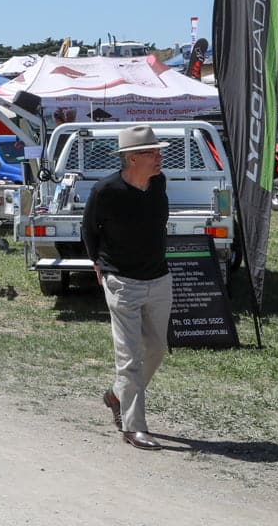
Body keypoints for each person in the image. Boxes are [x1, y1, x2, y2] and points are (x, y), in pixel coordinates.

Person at [83, 124, 174, 450]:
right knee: (130, 358)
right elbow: (89, 229)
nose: (159, 156)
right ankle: (134, 427)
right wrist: (98, 264)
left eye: (158, 150)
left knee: (156, 349)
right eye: (152, 152)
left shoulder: (158, 182)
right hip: (122, 281)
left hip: (159, 278)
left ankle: (116, 394)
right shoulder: (105, 191)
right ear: (131, 158)